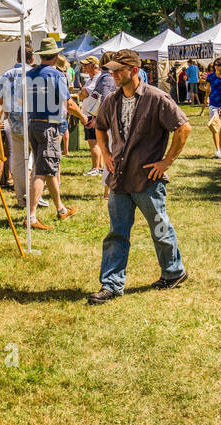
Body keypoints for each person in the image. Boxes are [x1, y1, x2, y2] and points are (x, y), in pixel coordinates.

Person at [88, 49, 191, 304]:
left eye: (118, 70)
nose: (112, 74)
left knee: (160, 229)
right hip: (119, 179)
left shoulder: (157, 98)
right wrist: (105, 152)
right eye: (111, 70)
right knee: (116, 233)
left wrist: (166, 162)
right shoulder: (111, 100)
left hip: (147, 180)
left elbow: (183, 128)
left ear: (133, 71)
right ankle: (111, 284)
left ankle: (173, 272)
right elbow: (99, 126)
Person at [26, 38, 84, 228]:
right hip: (48, 127)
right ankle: (31, 217)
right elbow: (68, 103)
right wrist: (84, 118)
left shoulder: (30, 74)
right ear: (56, 55)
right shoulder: (55, 75)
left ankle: (61, 209)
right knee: (42, 171)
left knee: (48, 168)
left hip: (33, 124)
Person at [0, 44, 38, 210]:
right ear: (31, 58)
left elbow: (0, 100)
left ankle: (22, 198)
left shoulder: (7, 75)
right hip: (33, 121)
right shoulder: (35, 74)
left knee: (18, 160)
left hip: (14, 122)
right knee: (37, 159)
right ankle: (34, 194)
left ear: (17, 58)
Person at [77, 56, 107, 176]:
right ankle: (98, 167)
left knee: (93, 141)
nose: (84, 67)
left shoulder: (96, 79)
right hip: (90, 114)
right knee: (94, 141)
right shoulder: (91, 79)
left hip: (92, 115)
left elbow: (83, 94)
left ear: (94, 66)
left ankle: (96, 167)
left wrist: (80, 95)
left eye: (86, 65)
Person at [205, 57, 221, 156]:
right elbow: (207, 89)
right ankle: (218, 149)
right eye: (215, 64)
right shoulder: (210, 76)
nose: (216, 66)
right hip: (213, 103)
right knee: (214, 127)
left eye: (218, 65)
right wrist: (206, 98)